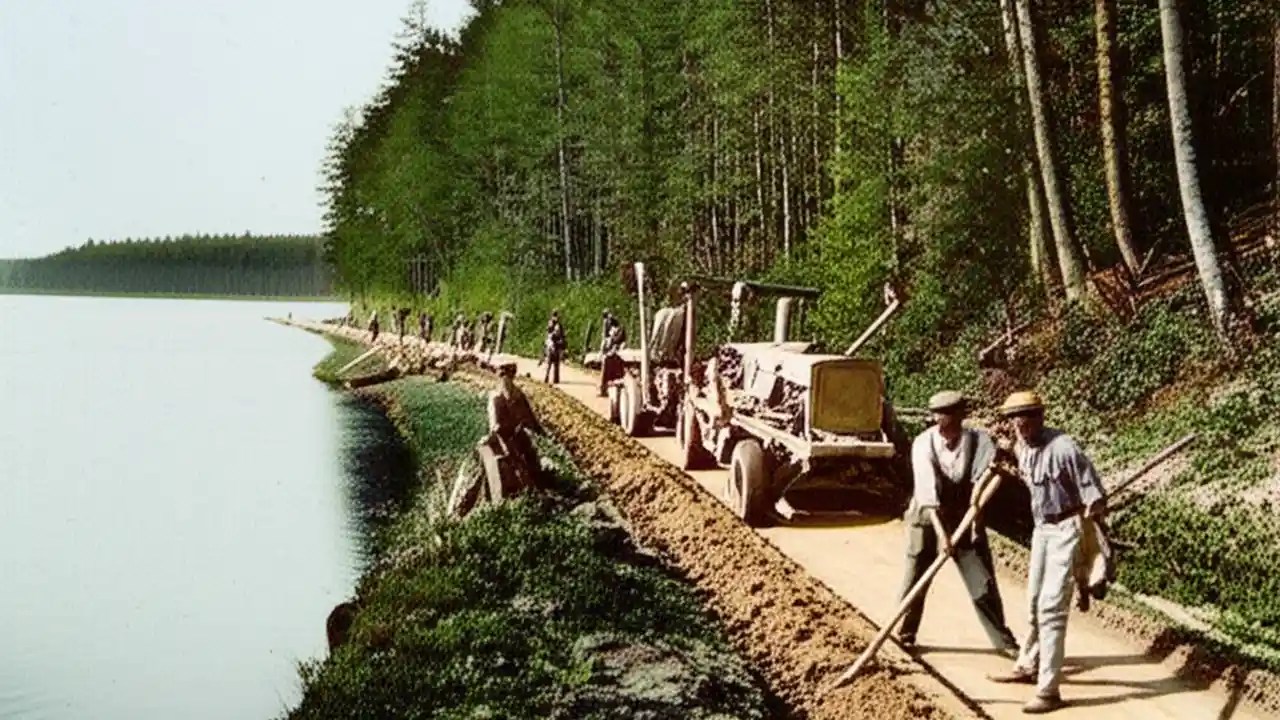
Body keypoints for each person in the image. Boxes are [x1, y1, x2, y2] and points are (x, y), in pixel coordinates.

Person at [988, 391, 1107, 715]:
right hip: (1042, 529)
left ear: (1040, 416)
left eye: (1027, 416)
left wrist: (1093, 556)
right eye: (1015, 418)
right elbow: (1027, 478)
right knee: (1033, 602)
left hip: (1068, 529)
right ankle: (1028, 664)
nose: (1021, 424)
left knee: (1052, 609)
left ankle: (1049, 690)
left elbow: (1096, 501)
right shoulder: (1022, 447)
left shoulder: (1066, 449)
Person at [896, 390, 1019, 655]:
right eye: (940, 416)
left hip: (966, 517)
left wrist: (971, 522)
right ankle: (904, 633)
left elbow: (985, 479)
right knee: (916, 574)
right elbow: (928, 494)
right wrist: (943, 537)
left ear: (961, 416)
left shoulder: (979, 441)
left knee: (981, 580)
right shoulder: (923, 444)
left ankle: (1003, 640)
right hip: (927, 519)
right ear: (934, 417)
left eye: (951, 416)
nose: (945, 422)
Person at [543, 311, 566, 384]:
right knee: (551, 363)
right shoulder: (552, 323)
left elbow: (562, 336)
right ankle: (549, 378)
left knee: (553, 363)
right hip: (552, 346)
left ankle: (553, 378)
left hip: (554, 346)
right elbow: (550, 334)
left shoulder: (557, 324)